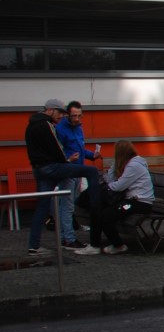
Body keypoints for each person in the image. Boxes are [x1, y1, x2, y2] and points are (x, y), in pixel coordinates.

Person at [25, 98, 102, 254]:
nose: (61, 117)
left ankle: (33, 246)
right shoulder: (48, 125)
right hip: (53, 167)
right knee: (91, 172)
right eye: (60, 113)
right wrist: (66, 161)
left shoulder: (31, 125)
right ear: (51, 110)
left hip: (39, 169)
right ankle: (96, 209)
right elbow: (57, 149)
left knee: (42, 207)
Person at [75, 139, 155, 255]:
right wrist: (114, 166)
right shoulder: (127, 163)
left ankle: (118, 245)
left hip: (139, 203)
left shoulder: (134, 166)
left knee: (105, 215)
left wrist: (109, 186)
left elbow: (118, 186)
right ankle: (95, 245)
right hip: (128, 200)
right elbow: (109, 179)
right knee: (98, 209)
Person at [54, 100, 103, 245]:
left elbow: (80, 148)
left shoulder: (78, 128)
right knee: (68, 205)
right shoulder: (61, 129)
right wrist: (67, 159)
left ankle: (65, 237)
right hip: (68, 170)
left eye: (79, 116)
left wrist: (91, 155)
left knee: (69, 205)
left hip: (78, 170)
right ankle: (68, 238)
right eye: (73, 116)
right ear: (67, 115)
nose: (76, 119)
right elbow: (58, 151)